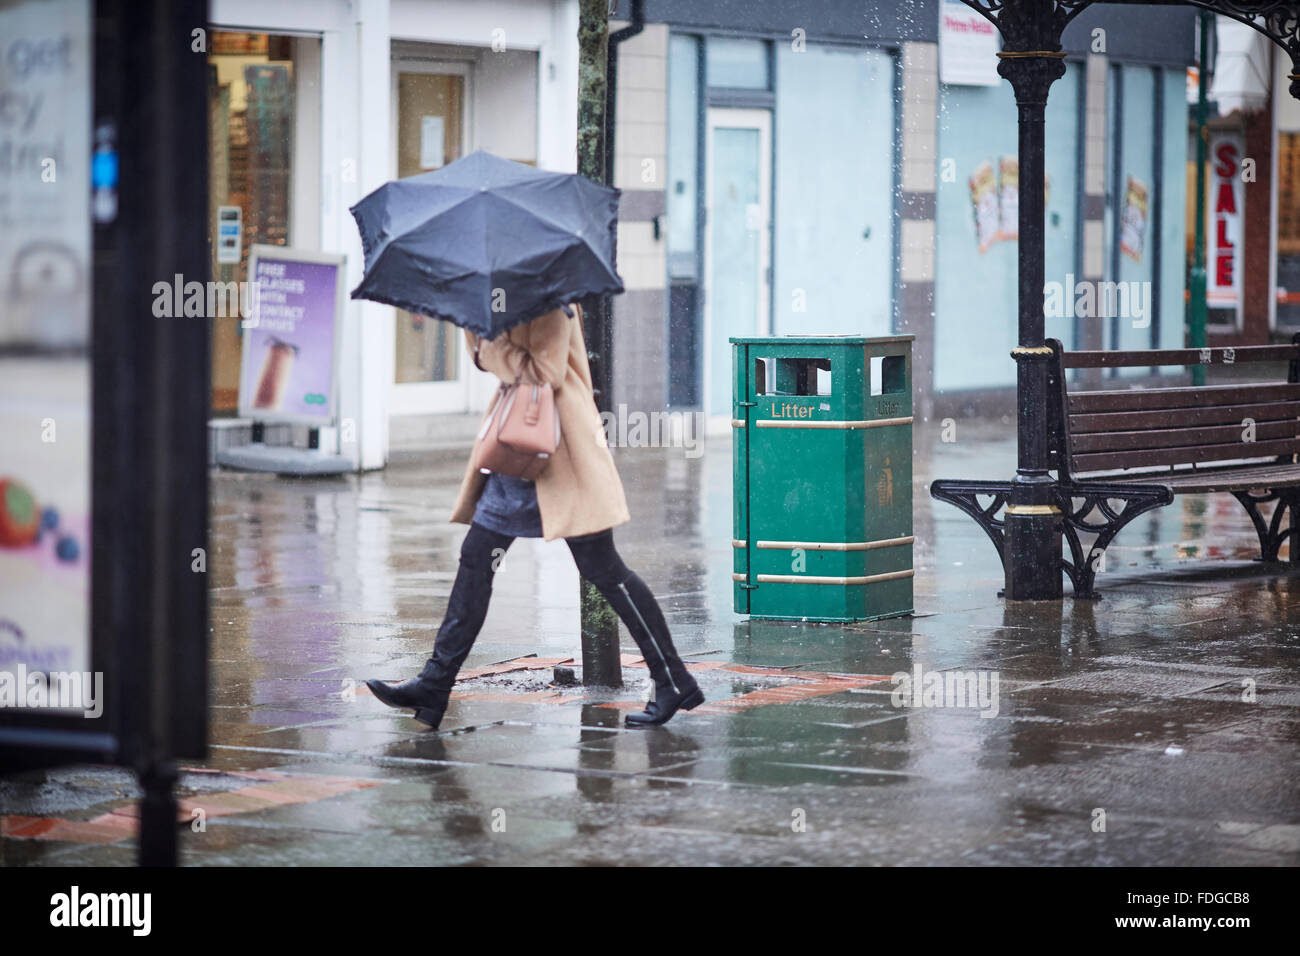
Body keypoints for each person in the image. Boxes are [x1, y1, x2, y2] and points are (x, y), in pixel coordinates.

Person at [366, 303, 703, 728]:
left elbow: (545, 371)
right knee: (476, 560)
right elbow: (496, 359)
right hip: (515, 451)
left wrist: (489, 347)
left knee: (604, 568)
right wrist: (477, 331)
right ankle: (434, 685)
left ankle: (673, 678)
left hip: (559, 453)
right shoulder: (502, 292)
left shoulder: (549, 296)